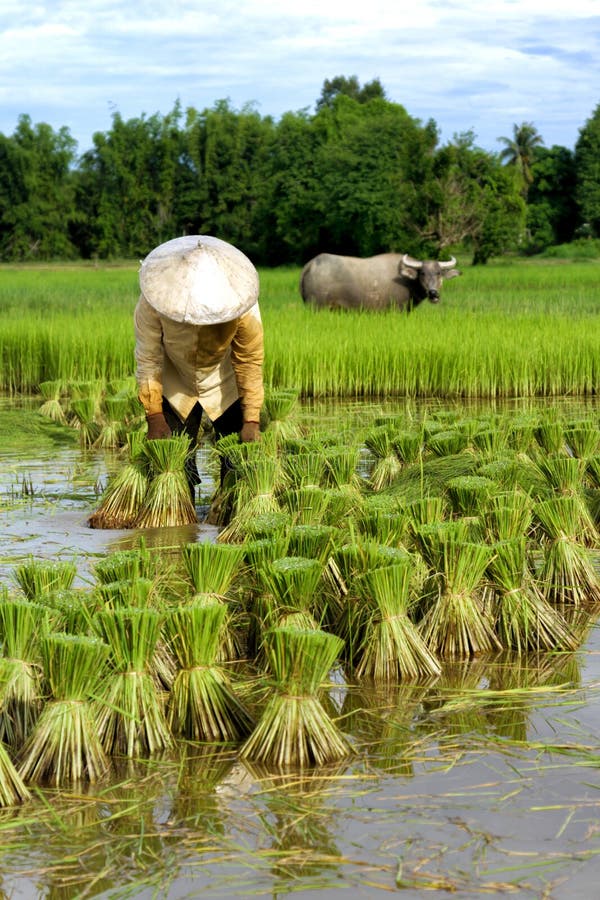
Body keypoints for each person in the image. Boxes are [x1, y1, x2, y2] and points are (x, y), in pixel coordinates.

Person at [134, 235, 264, 503]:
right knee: (176, 466)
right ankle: (181, 518)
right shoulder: (154, 299)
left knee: (235, 465)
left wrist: (251, 419)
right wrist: (154, 416)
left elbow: (249, 361)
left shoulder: (242, 305)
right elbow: (148, 358)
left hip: (223, 380)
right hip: (175, 382)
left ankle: (228, 512)